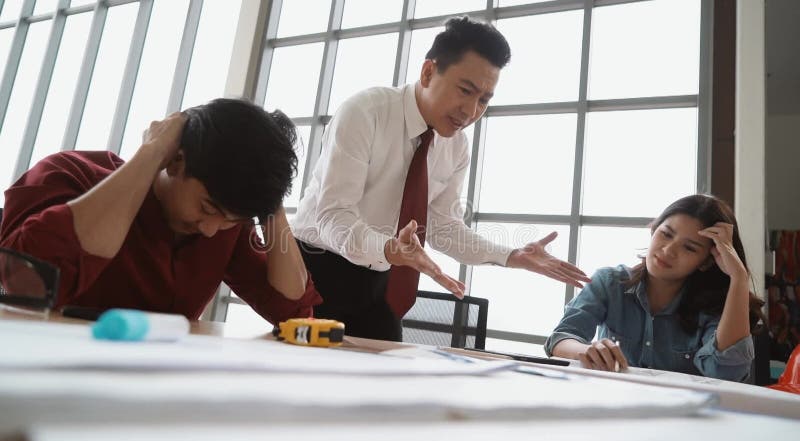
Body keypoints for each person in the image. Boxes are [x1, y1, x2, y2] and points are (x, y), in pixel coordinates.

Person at [292, 16, 590, 341]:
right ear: (428, 72)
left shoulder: (456, 146)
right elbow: (332, 217)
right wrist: (391, 248)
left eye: (484, 100)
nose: (471, 110)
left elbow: (442, 228)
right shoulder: (365, 113)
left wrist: (511, 256)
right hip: (313, 270)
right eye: (465, 90)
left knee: (384, 380)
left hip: (380, 276)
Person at [0, 98, 321, 323]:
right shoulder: (68, 174)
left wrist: (269, 201)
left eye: (230, 220)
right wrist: (152, 152)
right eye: (207, 207)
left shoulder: (226, 224)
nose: (211, 229)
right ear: (177, 159)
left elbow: (292, 312)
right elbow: (26, 283)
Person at [545, 194, 764, 382]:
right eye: (666, 234)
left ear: (707, 261)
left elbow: (725, 374)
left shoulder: (713, 305)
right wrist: (586, 350)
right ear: (653, 230)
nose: (668, 250)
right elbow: (560, 339)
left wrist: (738, 277)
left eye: (689, 247)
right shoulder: (609, 282)